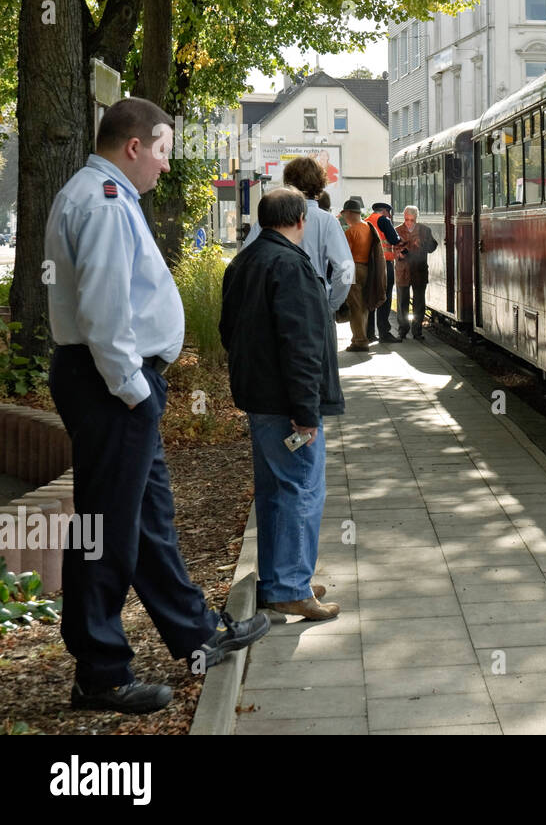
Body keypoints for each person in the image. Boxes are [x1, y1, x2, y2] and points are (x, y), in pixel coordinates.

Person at [44, 96, 269, 714]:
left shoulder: (100, 194)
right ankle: (101, 673)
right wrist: (136, 393)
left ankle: (194, 632)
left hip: (111, 383)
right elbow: (106, 312)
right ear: (136, 146)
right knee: (107, 528)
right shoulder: (106, 203)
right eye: (165, 151)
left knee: (145, 519)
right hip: (112, 383)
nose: (168, 166)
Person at [220, 187, 343, 620]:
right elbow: (302, 346)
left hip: (259, 398)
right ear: (300, 220)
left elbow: (227, 331)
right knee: (301, 490)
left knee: (275, 491)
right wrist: (306, 410)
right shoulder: (292, 266)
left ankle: (281, 580)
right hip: (288, 404)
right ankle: (291, 587)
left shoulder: (244, 262)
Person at [243, 157, 353, 313]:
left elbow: (245, 258)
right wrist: (332, 304)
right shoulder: (328, 221)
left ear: (288, 182)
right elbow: (346, 268)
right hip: (314, 306)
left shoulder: (268, 217)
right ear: (320, 183)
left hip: (273, 305)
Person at [394, 206, 438, 341]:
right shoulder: (397, 231)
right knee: (402, 302)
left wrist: (423, 244)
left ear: (416, 218)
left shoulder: (425, 230)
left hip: (419, 271)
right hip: (403, 271)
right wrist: (399, 254)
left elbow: (433, 247)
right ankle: (402, 330)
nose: (409, 223)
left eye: (412, 220)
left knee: (419, 302)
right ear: (404, 218)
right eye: (407, 219)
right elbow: (393, 249)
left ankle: (417, 331)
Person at [365, 202, 402, 343]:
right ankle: (384, 332)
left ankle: (369, 333)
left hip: (370, 265)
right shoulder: (383, 220)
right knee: (384, 298)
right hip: (384, 265)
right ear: (385, 211)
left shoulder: (367, 221)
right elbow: (394, 239)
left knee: (372, 297)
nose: (390, 216)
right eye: (389, 213)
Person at [341, 198, 374, 352]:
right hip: (367, 269)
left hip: (352, 268)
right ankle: (359, 337)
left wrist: (342, 281)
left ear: (349, 213)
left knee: (354, 306)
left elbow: (345, 256)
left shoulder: (350, 231)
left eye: (343, 213)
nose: (343, 217)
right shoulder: (368, 227)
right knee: (363, 307)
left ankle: (360, 341)